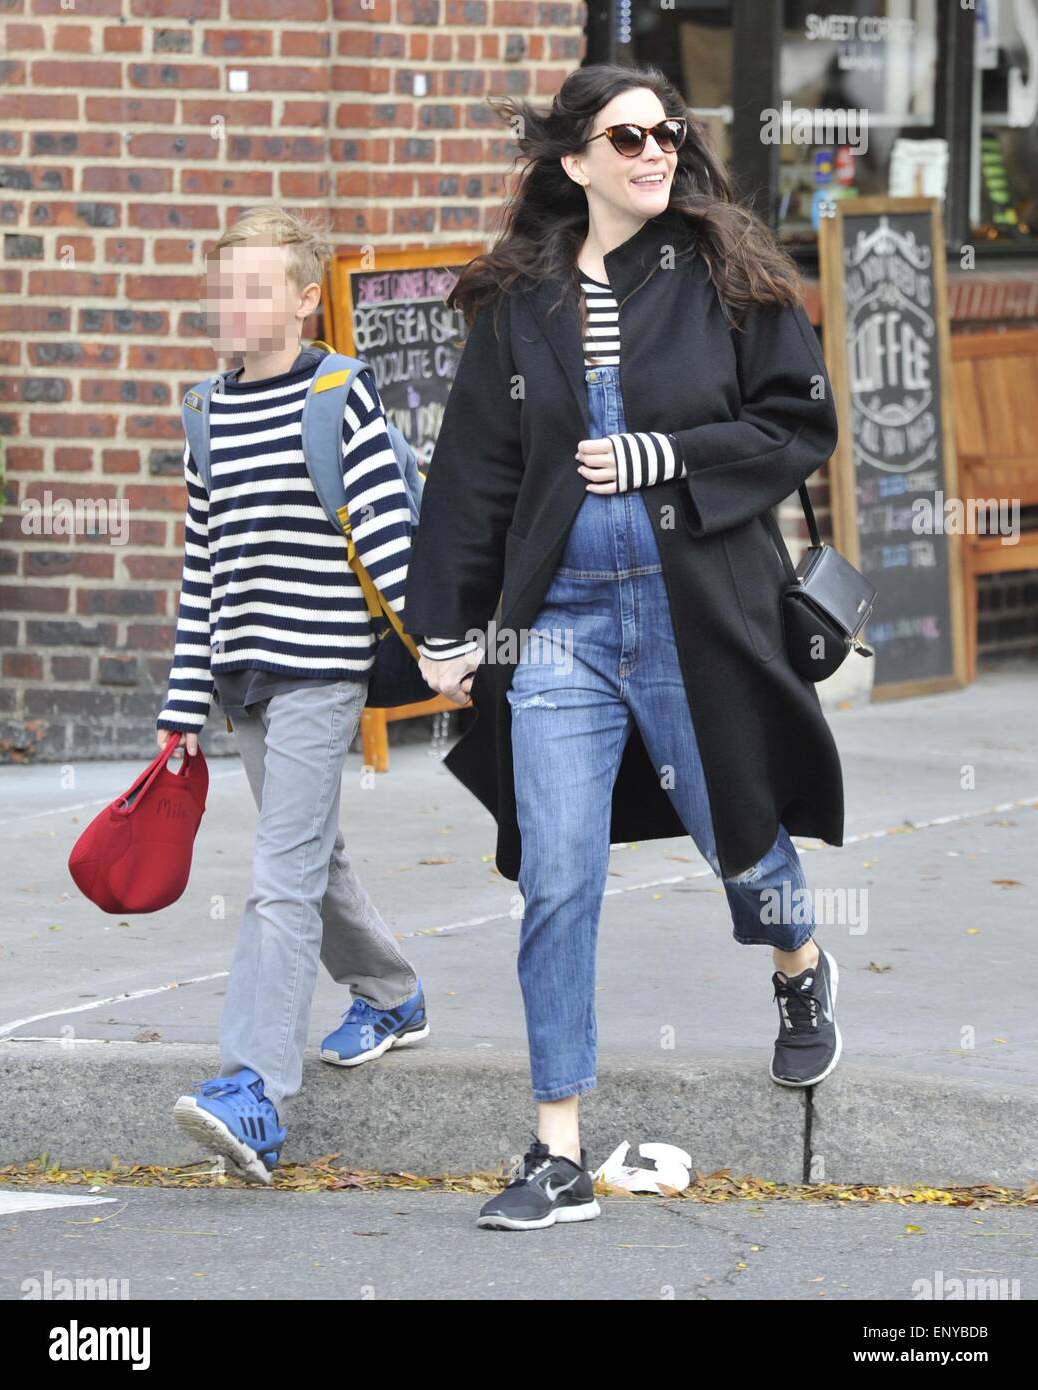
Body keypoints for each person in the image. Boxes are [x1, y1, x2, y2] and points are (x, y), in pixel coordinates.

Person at [403, 63, 844, 1231]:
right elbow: (476, 468)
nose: (655, 152)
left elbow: (801, 419)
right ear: (573, 161)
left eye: (667, 134)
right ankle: (556, 1146)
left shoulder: (727, 278)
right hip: (560, 627)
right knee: (557, 876)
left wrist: (666, 457)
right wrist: (439, 625)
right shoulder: (520, 304)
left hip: (691, 611)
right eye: (628, 135)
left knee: (739, 838)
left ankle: (798, 965)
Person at [155, 206, 428, 1185]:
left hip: (322, 672)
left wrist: (436, 648)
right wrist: (181, 708)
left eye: (257, 284)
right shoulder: (206, 412)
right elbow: (203, 573)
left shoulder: (336, 396)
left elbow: (390, 533)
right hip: (246, 682)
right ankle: (391, 991)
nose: (235, 303)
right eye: (224, 285)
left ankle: (252, 1090)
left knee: (278, 874)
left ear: (305, 298)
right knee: (309, 854)